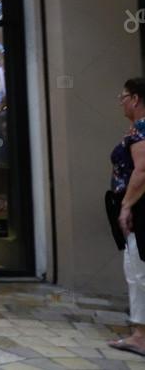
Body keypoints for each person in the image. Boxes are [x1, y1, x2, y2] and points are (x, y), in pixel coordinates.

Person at [108, 78, 145, 357]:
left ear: (135, 98)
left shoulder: (142, 131)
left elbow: (142, 171)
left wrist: (126, 206)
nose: (120, 101)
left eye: (122, 96)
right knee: (134, 269)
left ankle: (141, 335)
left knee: (138, 270)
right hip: (136, 207)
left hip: (140, 210)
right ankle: (139, 332)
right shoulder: (137, 129)